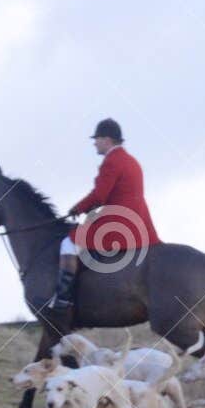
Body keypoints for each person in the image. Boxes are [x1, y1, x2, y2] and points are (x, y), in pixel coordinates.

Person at [52, 118, 160, 311]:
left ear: (107, 139)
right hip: (140, 222)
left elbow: (100, 196)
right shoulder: (131, 160)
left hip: (118, 222)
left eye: (97, 138)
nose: (94, 142)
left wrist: (77, 208)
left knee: (68, 242)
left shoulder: (111, 161)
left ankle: (63, 299)